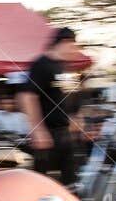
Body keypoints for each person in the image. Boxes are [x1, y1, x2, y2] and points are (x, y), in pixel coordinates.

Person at [17, 27, 84, 186]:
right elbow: (27, 97)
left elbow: (70, 97)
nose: (75, 50)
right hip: (48, 133)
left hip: (65, 134)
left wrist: (76, 116)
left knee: (70, 182)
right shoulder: (42, 64)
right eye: (72, 46)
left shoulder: (65, 68)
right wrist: (38, 129)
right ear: (63, 42)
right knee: (43, 183)